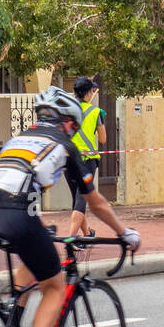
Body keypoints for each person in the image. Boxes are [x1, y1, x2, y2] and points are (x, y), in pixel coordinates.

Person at [0, 86, 141, 327]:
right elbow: (96, 202)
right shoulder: (65, 145)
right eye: (75, 127)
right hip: (18, 215)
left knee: (31, 255)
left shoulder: (19, 139)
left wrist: (38, 227)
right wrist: (124, 233)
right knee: (54, 287)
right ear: (67, 122)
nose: (75, 132)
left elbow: (16, 184)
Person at [69, 75, 104, 238]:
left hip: (68, 160)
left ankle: (87, 233)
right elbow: (103, 139)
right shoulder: (95, 112)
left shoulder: (67, 111)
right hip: (87, 161)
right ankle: (71, 239)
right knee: (81, 200)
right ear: (89, 93)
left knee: (77, 200)